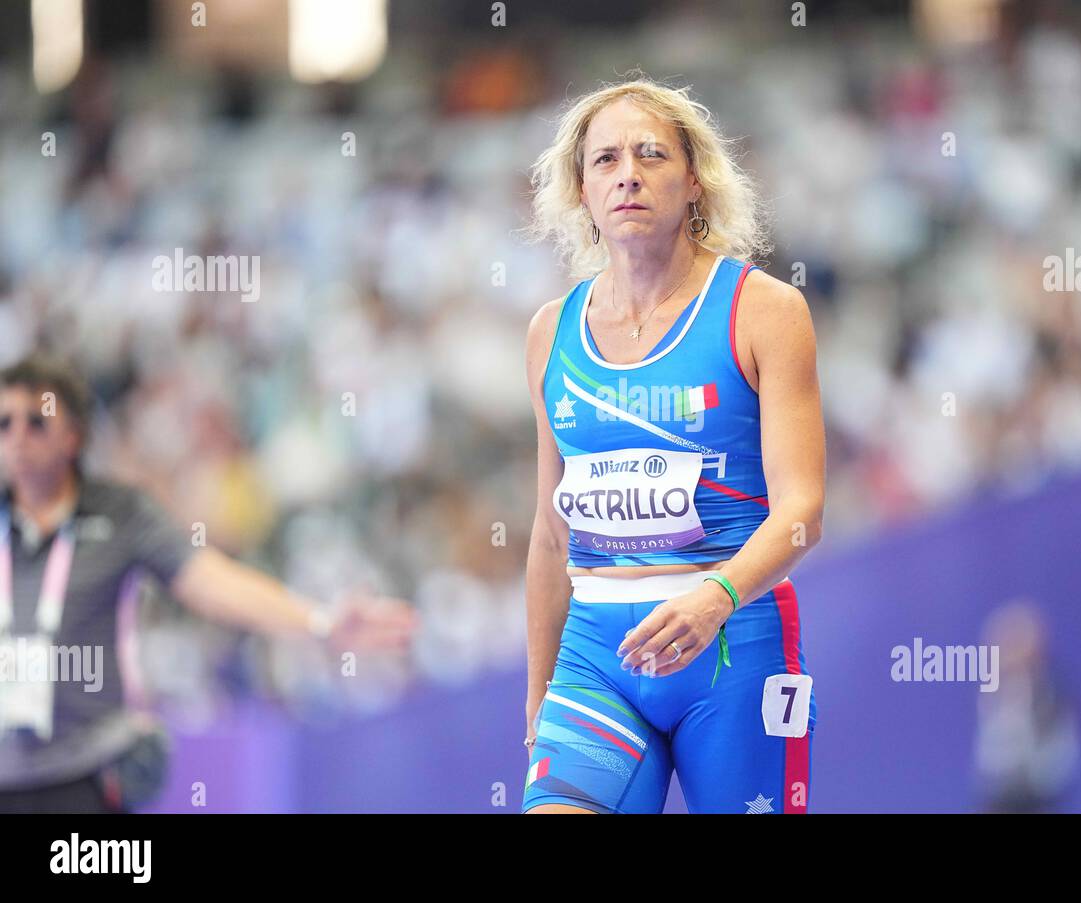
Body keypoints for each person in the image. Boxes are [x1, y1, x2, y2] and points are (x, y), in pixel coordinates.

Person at [518, 76, 825, 813]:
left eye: (652, 154)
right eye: (606, 160)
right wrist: (538, 698)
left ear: (694, 181)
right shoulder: (549, 332)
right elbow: (550, 535)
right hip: (596, 656)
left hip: (733, 645)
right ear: (582, 193)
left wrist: (714, 598)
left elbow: (804, 509)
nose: (628, 172)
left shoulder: (765, 310)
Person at [0, 355, 416, 813]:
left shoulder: (119, 514)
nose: (17, 439)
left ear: (73, 436)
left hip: (87, 776)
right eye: (5, 424)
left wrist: (320, 621)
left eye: (36, 423)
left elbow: (211, 582)